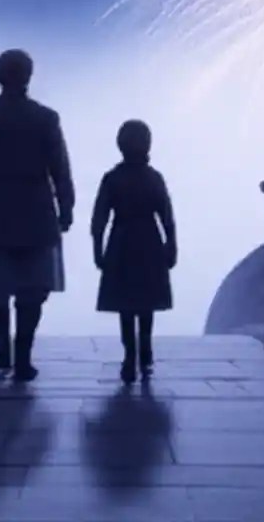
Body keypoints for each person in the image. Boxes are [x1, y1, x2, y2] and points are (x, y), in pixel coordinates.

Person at [0, 49, 75, 382]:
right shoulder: (45, 119)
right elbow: (60, 169)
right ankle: (22, 355)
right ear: (28, 76)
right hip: (36, 211)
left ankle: (2, 343)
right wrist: (66, 207)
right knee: (33, 290)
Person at [91, 119, 177, 384]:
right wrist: (171, 244)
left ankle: (130, 355)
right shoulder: (154, 178)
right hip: (149, 242)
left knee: (126, 306)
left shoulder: (112, 178)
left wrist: (98, 250)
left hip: (122, 242)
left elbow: (99, 219)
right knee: (146, 303)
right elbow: (167, 217)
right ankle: (145, 350)